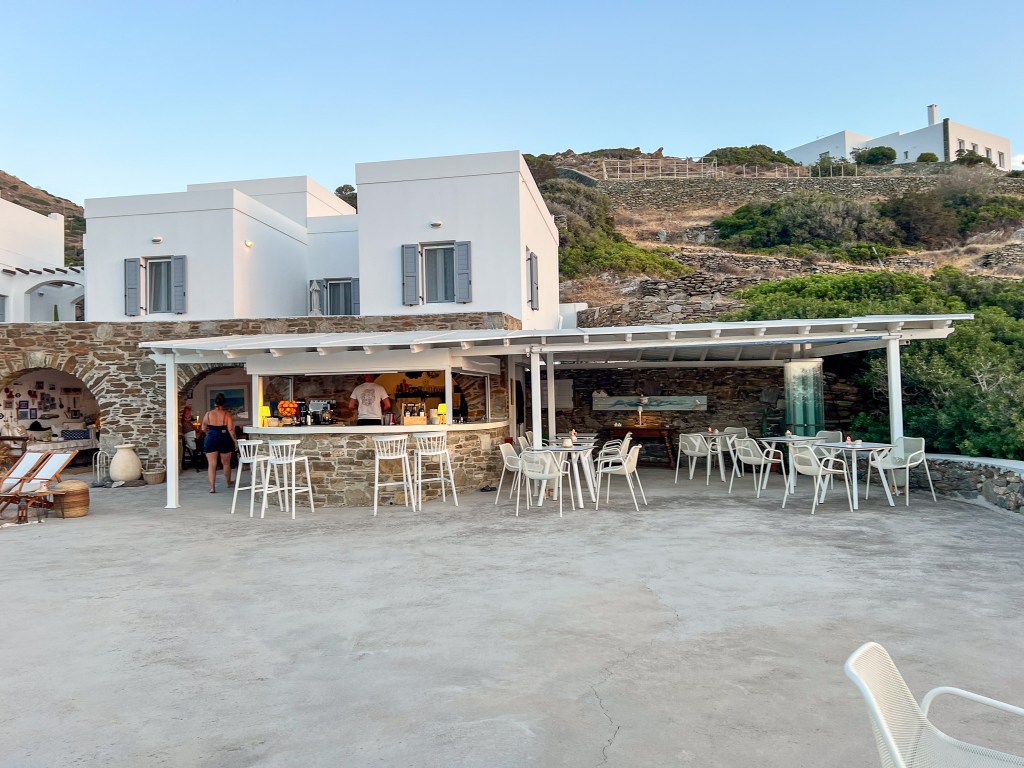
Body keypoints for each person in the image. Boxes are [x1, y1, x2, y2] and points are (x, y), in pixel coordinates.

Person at [201, 393, 235, 493]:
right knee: (226, 463)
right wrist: (235, 442)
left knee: (211, 464)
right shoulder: (227, 414)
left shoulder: (208, 414)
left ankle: (212, 487)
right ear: (223, 403)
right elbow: (231, 430)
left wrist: (210, 432)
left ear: (214, 403)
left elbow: (203, 428)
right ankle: (228, 482)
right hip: (224, 438)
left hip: (211, 438)